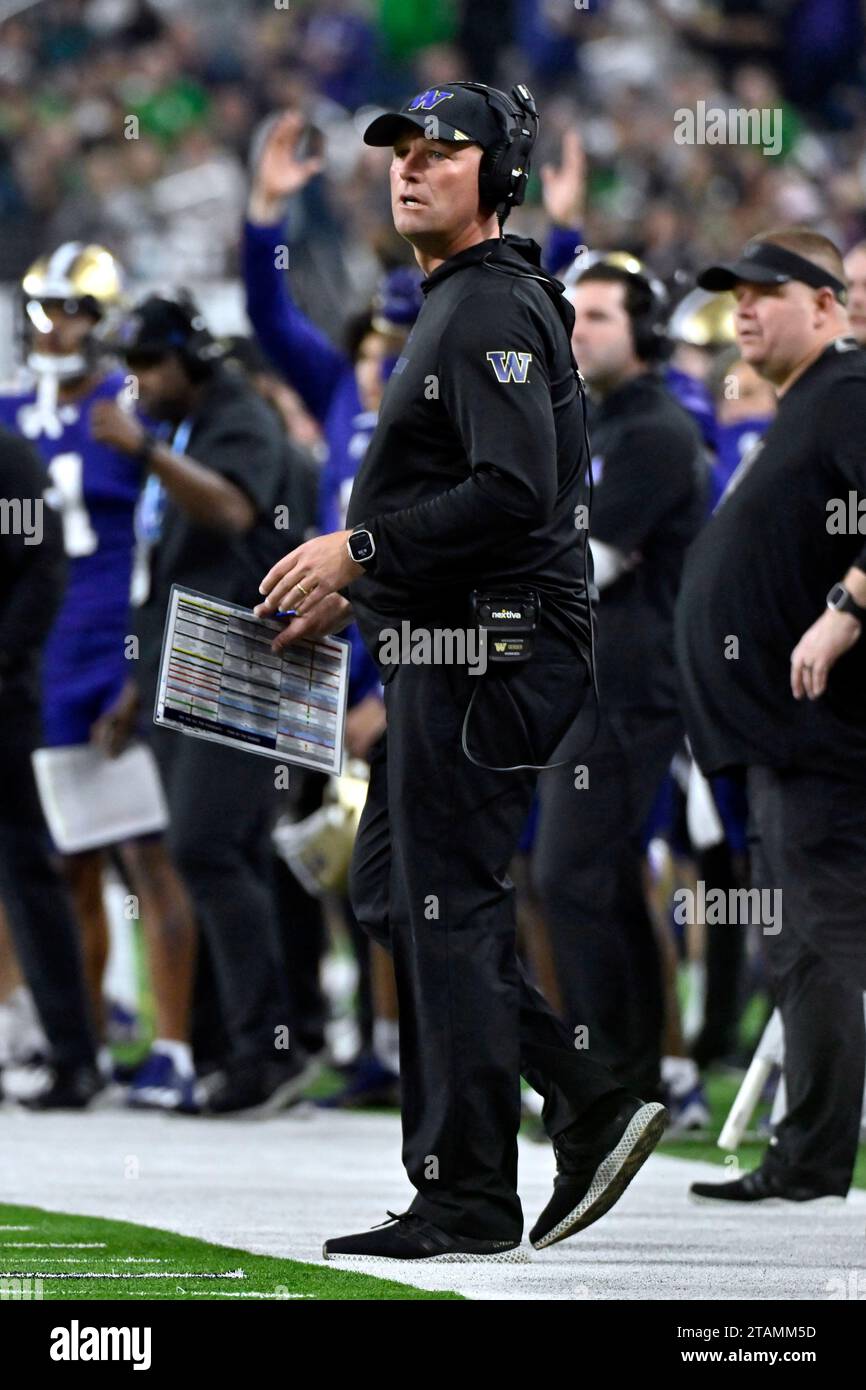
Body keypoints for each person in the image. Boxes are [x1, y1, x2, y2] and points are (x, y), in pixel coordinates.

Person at [256, 81, 667, 1260]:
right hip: (455, 636)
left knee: (444, 902)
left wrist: (362, 549)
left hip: (490, 651)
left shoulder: (484, 308)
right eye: (399, 150)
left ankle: (470, 1190)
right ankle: (576, 1100)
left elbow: (513, 491)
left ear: (500, 175)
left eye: (444, 151)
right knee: (395, 893)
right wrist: (363, 587)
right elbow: (478, 498)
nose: (411, 166)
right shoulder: (464, 302)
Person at [676, 227, 866, 1205]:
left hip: (816, 737)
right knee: (800, 945)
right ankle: (809, 1151)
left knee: (815, 943)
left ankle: (810, 1160)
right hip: (775, 739)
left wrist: (843, 611)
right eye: (734, 295)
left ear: (826, 307)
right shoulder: (798, 406)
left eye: (766, 292)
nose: (742, 308)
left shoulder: (843, 390)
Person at [98, 291, 318, 1116]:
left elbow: (230, 509)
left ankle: (268, 1049)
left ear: (190, 360)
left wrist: (146, 449)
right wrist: (134, 678)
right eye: (132, 368)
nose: (139, 382)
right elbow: (170, 564)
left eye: (151, 364)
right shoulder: (194, 422)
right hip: (183, 661)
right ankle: (242, 1049)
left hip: (240, 661)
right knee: (228, 853)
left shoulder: (234, 414)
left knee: (204, 849)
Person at [0, 242, 199, 1110]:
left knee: (151, 860)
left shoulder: (134, 414)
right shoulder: (11, 414)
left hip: (114, 648)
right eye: (43, 309)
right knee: (56, 863)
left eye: (71, 310)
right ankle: (66, 1037)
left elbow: (168, 541)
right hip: (39, 658)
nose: (53, 328)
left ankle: (177, 1046)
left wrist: (140, 664)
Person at [531, 261, 707, 1104]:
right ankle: (637, 1076)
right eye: (575, 315)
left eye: (599, 316)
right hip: (591, 685)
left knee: (570, 876)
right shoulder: (594, 423)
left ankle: (607, 1077)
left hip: (631, 689)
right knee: (597, 878)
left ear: (647, 332)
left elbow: (586, 565)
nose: (579, 331)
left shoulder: (658, 432)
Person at [0, 425, 100, 1107]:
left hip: (4, 699)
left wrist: (6, 661)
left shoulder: (8, 456)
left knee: (27, 865)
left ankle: (73, 1053)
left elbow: (43, 562)